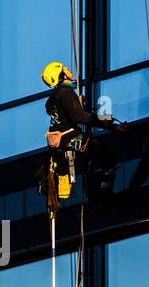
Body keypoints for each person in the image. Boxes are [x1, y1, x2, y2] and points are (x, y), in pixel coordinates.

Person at [41, 61, 126, 196]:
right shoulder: (65, 92)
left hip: (59, 143)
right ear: (61, 75)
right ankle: (106, 192)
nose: (68, 70)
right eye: (64, 69)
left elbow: (62, 113)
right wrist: (105, 120)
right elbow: (79, 117)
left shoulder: (54, 99)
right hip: (71, 139)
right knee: (108, 155)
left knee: (88, 165)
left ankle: (93, 196)